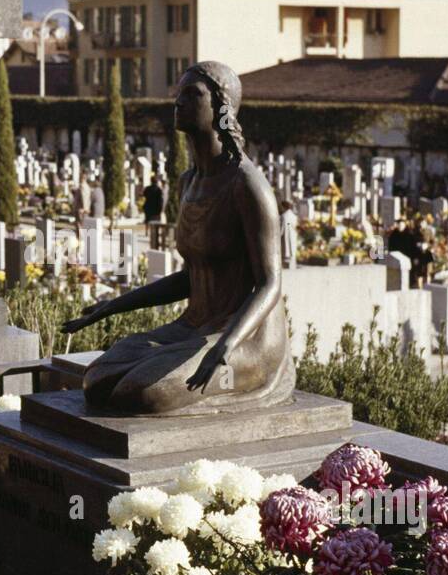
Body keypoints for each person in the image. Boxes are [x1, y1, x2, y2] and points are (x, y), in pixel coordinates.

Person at [62, 60, 293, 415]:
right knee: (97, 380)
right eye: (178, 93)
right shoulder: (188, 182)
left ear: (222, 107)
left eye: (192, 94)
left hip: (244, 337)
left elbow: (270, 284)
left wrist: (226, 345)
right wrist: (112, 306)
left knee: (146, 394)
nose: (178, 102)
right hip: (193, 326)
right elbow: (191, 278)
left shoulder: (247, 184)